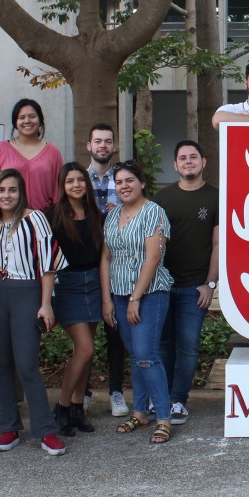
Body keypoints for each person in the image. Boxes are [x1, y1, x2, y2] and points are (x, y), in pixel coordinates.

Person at [0, 169, 67, 455]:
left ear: (20, 192)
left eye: (12, 190)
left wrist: (46, 302)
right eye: (1, 190)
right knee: (1, 362)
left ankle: (45, 430)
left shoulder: (35, 218)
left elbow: (48, 261)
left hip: (27, 292)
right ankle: (9, 427)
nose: (6, 195)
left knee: (26, 363)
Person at [100, 162, 175, 444]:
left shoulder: (154, 212)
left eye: (130, 180)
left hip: (150, 293)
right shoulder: (113, 215)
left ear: (142, 183)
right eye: (119, 182)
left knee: (146, 354)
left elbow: (153, 257)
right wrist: (107, 299)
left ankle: (164, 417)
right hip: (118, 294)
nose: (124, 186)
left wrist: (135, 298)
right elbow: (106, 257)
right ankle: (141, 412)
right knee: (136, 356)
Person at [153, 140, 220, 426]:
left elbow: (218, 243)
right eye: (183, 158)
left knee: (189, 345)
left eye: (194, 156)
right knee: (165, 344)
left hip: (196, 287)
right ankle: (164, 398)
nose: (188, 161)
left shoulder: (216, 197)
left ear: (204, 162)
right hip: (164, 286)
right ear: (175, 165)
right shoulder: (162, 198)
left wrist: (210, 283)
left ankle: (179, 399)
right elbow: (153, 244)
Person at [48, 161, 105, 437]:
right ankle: (61, 406)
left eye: (80, 180)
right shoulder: (54, 216)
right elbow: (46, 260)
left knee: (86, 352)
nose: (76, 185)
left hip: (93, 282)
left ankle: (77, 407)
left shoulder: (97, 214)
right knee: (84, 348)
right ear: (63, 185)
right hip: (67, 284)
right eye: (70, 181)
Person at [82, 122, 129, 419]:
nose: (103, 145)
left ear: (114, 146)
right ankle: (82, 392)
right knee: (85, 332)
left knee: (116, 332)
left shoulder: (123, 179)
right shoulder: (78, 179)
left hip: (117, 263)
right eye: (97, 141)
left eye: (108, 141)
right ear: (89, 146)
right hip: (85, 265)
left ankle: (115, 391)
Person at [0, 98, 63, 211]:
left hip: (44, 218)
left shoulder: (53, 153)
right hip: (7, 218)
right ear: (15, 122)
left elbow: (58, 191)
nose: (27, 121)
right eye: (21, 117)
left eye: (32, 116)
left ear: (40, 120)